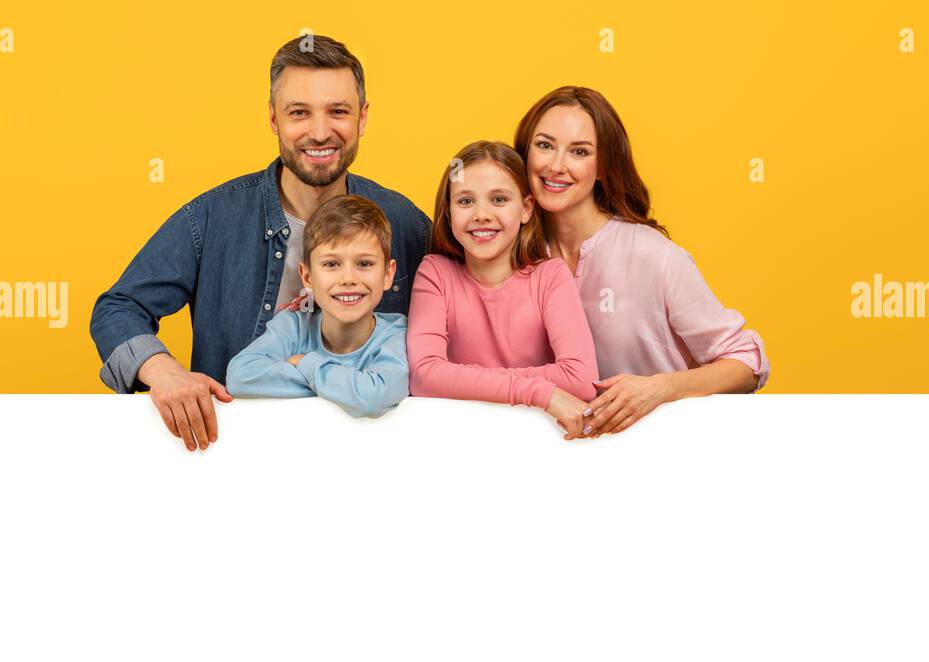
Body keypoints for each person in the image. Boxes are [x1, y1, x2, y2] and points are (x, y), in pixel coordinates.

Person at [90, 35, 430, 451]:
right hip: (233, 456)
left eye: (338, 111)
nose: (320, 132)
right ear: (274, 118)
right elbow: (118, 308)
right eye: (299, 112)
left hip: (371, 457)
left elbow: (475, 307)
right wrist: (163, 370)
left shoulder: (407, 225)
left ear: (362, 117)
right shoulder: (213, 218)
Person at [515, 86, 770, 437]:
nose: (556, 165)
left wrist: (664, 388)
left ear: (603, 168)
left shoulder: (655, 257)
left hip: (664, 447)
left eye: (579, 151)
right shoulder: (515, 257)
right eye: (544, 145)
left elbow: (747, 362)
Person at [406, 141, 599, 439]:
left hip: (538, 439)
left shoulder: (551, 276)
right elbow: (424, 377)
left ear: (526, 209)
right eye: (465, 201)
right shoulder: (435, 273)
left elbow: (580, 379)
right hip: (458, 437)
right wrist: (540, 392)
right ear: (449, 213)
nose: (481, 214)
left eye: (498, 199)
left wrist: (461, 379)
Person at [225, 195, 408, 418]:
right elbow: (240, 376)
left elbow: (374, 397)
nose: (348, 279)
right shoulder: (293, 325)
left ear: (387, 274)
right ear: (307, 277)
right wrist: (349, 389)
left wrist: (306, 364)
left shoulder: (398, 334)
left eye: (364, 263)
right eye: (331, 264)